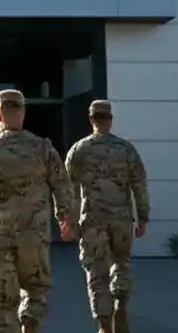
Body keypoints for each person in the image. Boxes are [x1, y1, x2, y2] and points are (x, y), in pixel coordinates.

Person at [0, 89, 75, 333]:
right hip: (34, 232)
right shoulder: (42, 148)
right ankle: (30, 321)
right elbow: (62, 184)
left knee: (2, 298)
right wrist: (65, 216)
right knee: (35, 287)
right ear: (22, 113)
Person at [65, 99, 150, 333]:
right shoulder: (126, 150)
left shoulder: (79, 150)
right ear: (110, 120)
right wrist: (142, 216)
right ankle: (120, 300)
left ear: (91, 119)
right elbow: (139, 184)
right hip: (121, 219)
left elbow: (67, 189)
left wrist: (67, 220)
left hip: (93, 220)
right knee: (121, 264)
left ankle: (104, 325)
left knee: (97, 274)